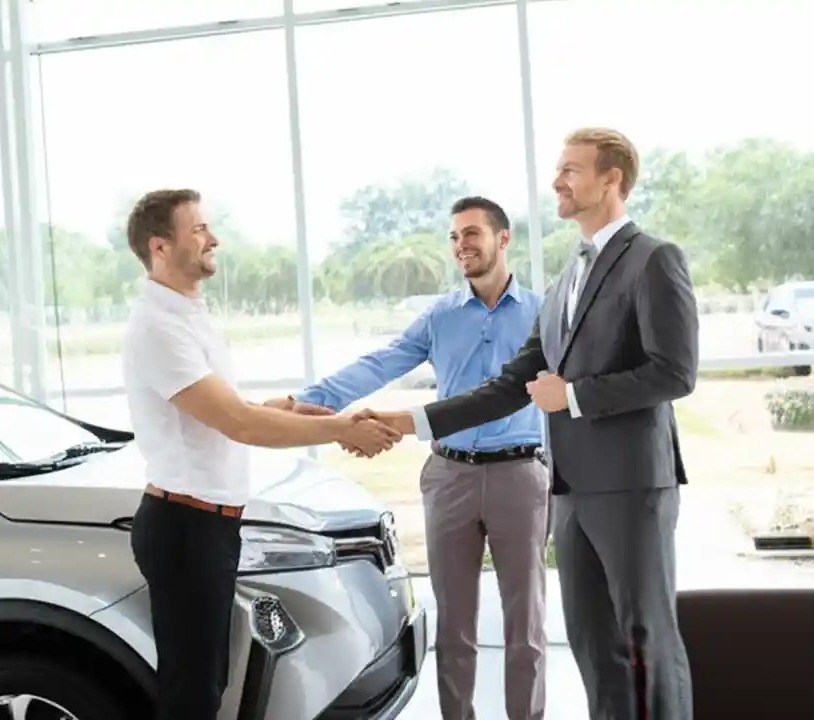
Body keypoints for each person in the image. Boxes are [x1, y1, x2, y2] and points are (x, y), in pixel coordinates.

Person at [362, 128, 698, 720]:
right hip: (569, 492)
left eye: (571, 170)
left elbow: (674, 373)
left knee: (646, 640)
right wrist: (410, 421)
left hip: (631, 487)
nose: (557, 181)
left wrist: (573, 397)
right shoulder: (570, 276)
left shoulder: (653, 259)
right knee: (596, 647)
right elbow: (510, 383)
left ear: (611, 179)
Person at [119, 188, 401, 720]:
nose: (214, 238)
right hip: (184, 528)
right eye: (199, 229)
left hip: (208, 526)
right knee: (192, 695)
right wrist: (341, 430)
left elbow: (226, 409)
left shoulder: (185, 315)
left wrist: (291, 410)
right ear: (160, 246)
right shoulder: (158, 327)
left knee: (205, 685)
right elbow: (239, 423)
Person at [267, 196, 548, 720]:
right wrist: (310, 401)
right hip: (450, 476)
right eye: (454, 237)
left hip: (519, 474)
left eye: (472, 234)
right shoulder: (440, 315)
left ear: (502, 239)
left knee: (526, 627)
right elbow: (382, 362)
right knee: (455, 625)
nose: (461, 245)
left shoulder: (543, 313)